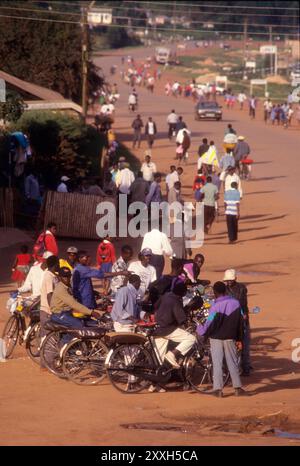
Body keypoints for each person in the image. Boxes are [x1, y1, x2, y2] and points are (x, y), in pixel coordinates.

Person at [197, 281, 247, 397]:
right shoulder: (236, 303)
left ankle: (218, 390)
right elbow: (241, 322)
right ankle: (238, 388)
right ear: (225, 291)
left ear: (214, 292)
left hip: (216, 339)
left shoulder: (215, 306)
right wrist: (239, 338)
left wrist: (201, 330)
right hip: (231, 337)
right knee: (232, 362)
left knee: (217, 363)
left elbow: (209, 323)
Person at [153, 282, 196, 369]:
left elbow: (156, 306)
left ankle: (156, 378)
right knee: (191, 338)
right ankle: (172, 354)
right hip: (168, 329)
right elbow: (181, 318)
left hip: (157, 327)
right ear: (183, 293)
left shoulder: (166, 295)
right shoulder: (176, 301)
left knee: (158, 359)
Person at [50, 267, 102, 334]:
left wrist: (96, 293)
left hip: (68, 312)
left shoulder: (67, 286)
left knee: (88, 321)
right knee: (78, 325)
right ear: (59, 277)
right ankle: (66, 343)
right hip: (59, 314)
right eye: (64, 276)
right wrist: (91, 312)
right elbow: (73, 304)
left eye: (68, 276)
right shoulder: (61, 288)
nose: (67, 278)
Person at [223, 269, 251, 376]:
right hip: (234, 319)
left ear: (235, 279)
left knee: (244, 344)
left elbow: (243, 303)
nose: (229, 282)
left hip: (240, 318)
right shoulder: (226, 289)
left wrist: (243, 316)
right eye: (227, 280)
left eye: (230, 280)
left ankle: (246, 368)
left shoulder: (241, 289)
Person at [40, 255, 59, 360]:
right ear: (55, 264)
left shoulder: (53, 275)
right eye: (58, 263)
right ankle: (47, 363)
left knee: (49, 337)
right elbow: (49, 295)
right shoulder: (48, 276)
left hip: (49, 310)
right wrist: (53, 310)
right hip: (47, 310)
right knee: (48, 337)